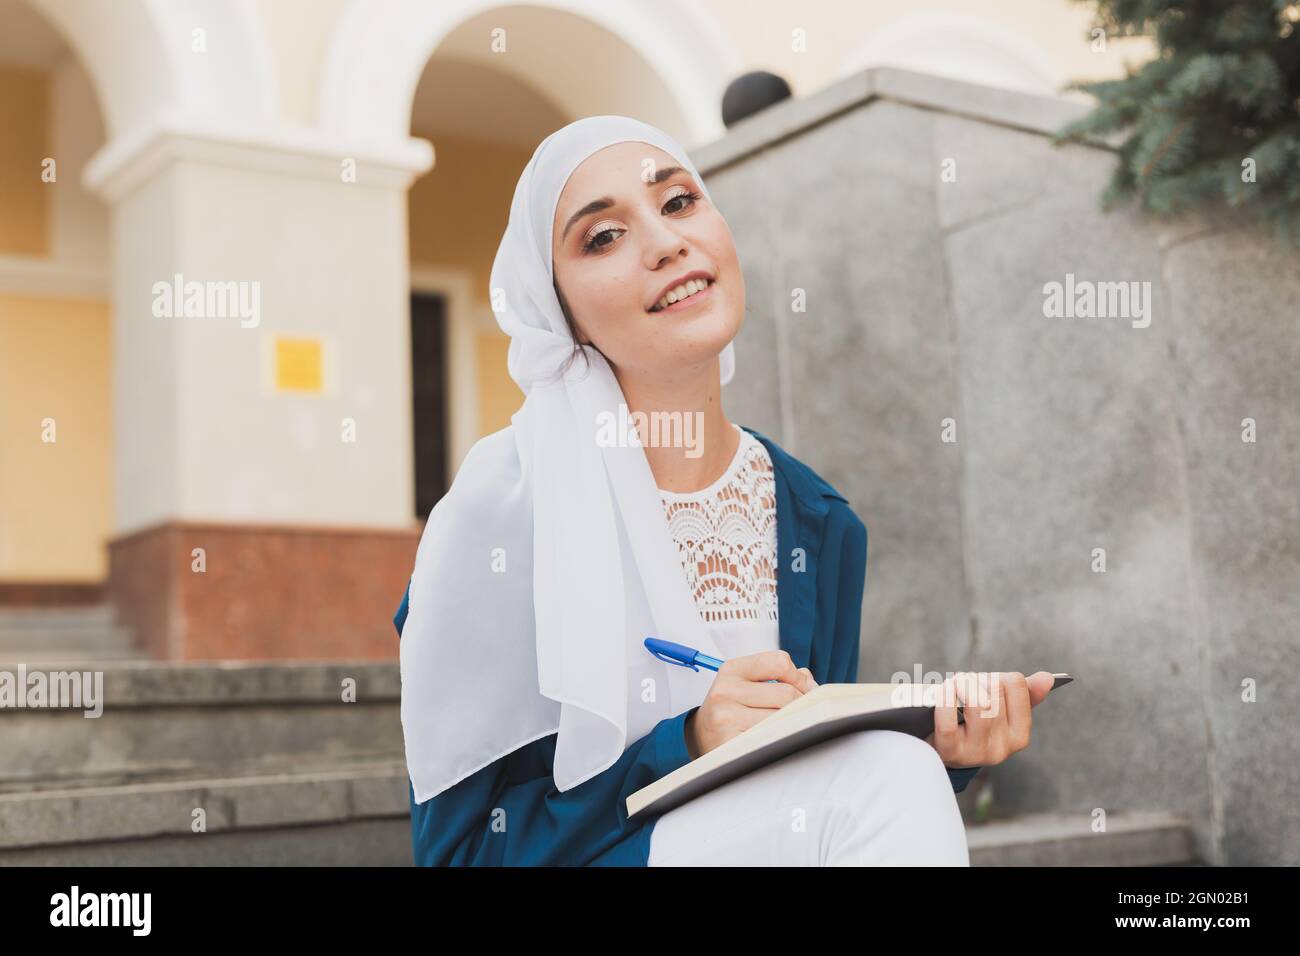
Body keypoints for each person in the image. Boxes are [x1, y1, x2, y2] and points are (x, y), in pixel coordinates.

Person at [394, 115, 1055, 866]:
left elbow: (804, 793)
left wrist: (939, 744)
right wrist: (689, 741)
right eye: (602, 237)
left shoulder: (816, 520)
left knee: (896, 770)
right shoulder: (502, 513)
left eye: (678, 202)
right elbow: (462, 853)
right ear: (561, 315)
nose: (666, 242)